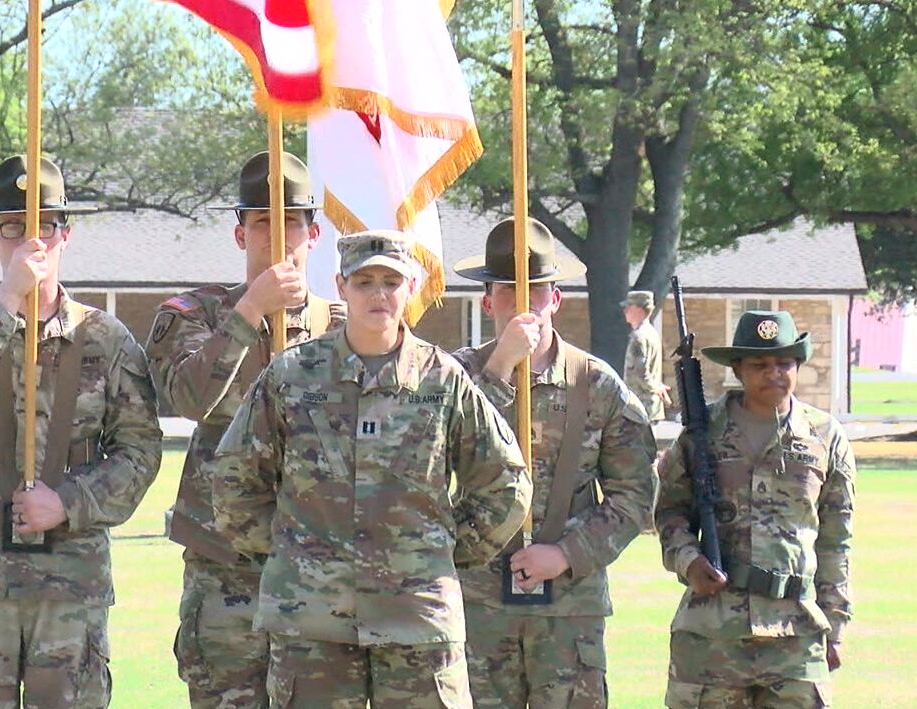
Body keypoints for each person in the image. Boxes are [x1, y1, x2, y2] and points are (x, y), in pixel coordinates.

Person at [212, 230, 532, 708]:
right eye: (364, 282)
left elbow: (506, 484)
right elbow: (233, 478)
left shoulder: (442, 379)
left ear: (411, 289)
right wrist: (292, 553)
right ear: (341, 286)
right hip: (312, 620)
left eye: (390, 281)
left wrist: (442, 552)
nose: (378, 294)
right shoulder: (292, 375)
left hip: (418, 621)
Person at [0, 155, 163, 708]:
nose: (31, 241)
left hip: (69, 572)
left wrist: (69, 502)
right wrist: (6, 300)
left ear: (66, 233)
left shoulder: (107, 339)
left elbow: (140, 452)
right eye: (13, 226)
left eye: (45, 225)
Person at [145, 151, 345, 708]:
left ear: (314, 233)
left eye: (289, 221)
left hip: (317, 567)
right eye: (261, 222)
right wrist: (250, 311)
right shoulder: (194, 315)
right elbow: (188, 398)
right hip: (224, 565)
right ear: (239, 234)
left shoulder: (345, 330)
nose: (275, 236)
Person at [449, 217, 658, 708]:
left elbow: (635, 495)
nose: (524, 305)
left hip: (569, 608)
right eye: (508, 290)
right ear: (486, 300)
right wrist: (498, 369)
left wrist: (566, 553)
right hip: (477, 602)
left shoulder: (598, 385)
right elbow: (427, 460)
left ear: (556, 299)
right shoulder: (454, 377)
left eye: (536, 291)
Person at [656, 310, 854, 708]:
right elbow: (670, 514)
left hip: (796, 635)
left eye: (784, 363)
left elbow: (836, 540)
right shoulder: (701, 434)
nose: (774, 373)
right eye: (760, 365)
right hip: (712, 632)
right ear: (738, 370)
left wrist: (834, 626)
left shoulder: (825, 437)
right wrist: (689, 561)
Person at [622, 290, 670, 422]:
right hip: (650, 407)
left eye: (629, 307)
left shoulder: (639, 337)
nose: (625, 310)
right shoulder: (651, 333)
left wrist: (656, 387)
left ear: (639, 309)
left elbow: (641, 372)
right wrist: (657, 386)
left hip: (640, 407)